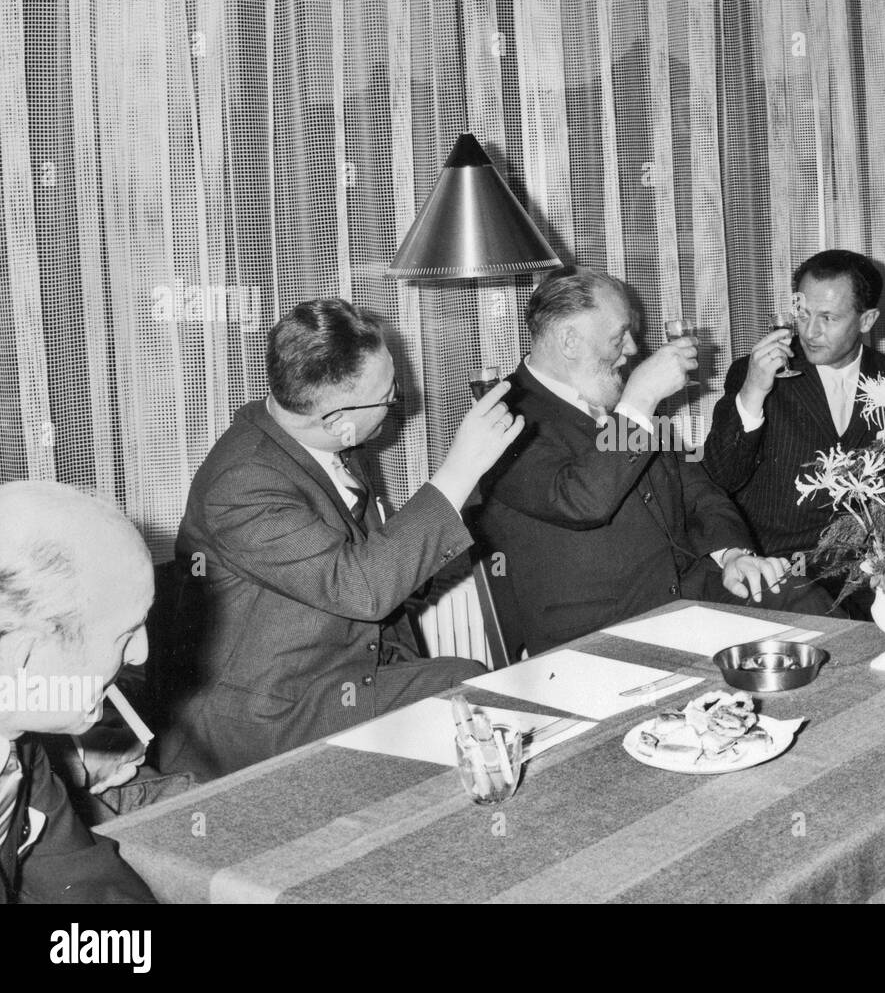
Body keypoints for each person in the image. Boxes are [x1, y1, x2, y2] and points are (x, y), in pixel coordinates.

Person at [159, 298, 523, 781]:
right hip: (271, 712)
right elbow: (362, 588)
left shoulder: (326, 440)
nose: (400, 399)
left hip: (341, 672)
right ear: (333, 416)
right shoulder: (242, 484)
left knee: (469, 688)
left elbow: (375, 568)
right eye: (390, 396)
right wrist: (459, 469)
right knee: (471, 698)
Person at [477, 267, 829, 655]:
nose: (631, 349)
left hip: (689, 600)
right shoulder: (500, 417)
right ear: (569, 340)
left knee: (807, 603)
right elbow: (579, 500)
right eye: (618, 337)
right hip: (601, 634)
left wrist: (732, 554)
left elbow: (697, 490)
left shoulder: (615, 401)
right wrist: (640, 398)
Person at [702, 249, 885, 613]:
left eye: (828, 317)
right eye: (803, 313)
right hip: (780, 577)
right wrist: (752, 391)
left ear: (867, 320)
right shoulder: (756, 374)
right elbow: (719, 477)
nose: (810, 332)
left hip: (869, 579)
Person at [0, 480, 156, 903]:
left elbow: (83, 879)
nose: (140, 654)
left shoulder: (17, 733)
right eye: (125, 634)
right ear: (25, 655)